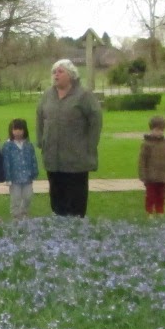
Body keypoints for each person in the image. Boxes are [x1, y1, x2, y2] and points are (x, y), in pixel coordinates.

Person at [35, 58, 103, 217]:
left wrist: (90, 146)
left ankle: (76, 226)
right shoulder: (48, 95)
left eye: (60, 72)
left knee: (75, 200)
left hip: (76, 158)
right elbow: (40, 117)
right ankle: (59, 225)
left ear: (71, 75)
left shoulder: (84, 95)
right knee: (56, 197)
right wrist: (42, 141)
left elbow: (95, 121)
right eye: (54, 72)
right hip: (53, 157)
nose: (56, 75)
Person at [137, 114, 165, 216]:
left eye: (162, 130)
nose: (159, 132)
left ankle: (160, 211)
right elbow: (142, 161)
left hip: (163, 176)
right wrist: (143, 175)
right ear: (151, 130)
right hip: (150, 177)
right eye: (157, 130)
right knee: (150, 196)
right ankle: (149, 212)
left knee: (162, 196)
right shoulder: (147, 144)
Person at [2, 118, 38, 222]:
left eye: (20, 129)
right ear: (11, 131)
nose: (18, 132)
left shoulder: (28, 145)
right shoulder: (8, 145)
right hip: (14, 178)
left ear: (24, 130)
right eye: (15, 129)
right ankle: (16, 215)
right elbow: (6, 162)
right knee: (16, 198)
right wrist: (7, 177)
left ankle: (24, 212)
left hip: (27, 177)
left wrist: (34, 172)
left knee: (28, 196)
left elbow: (33, 159)